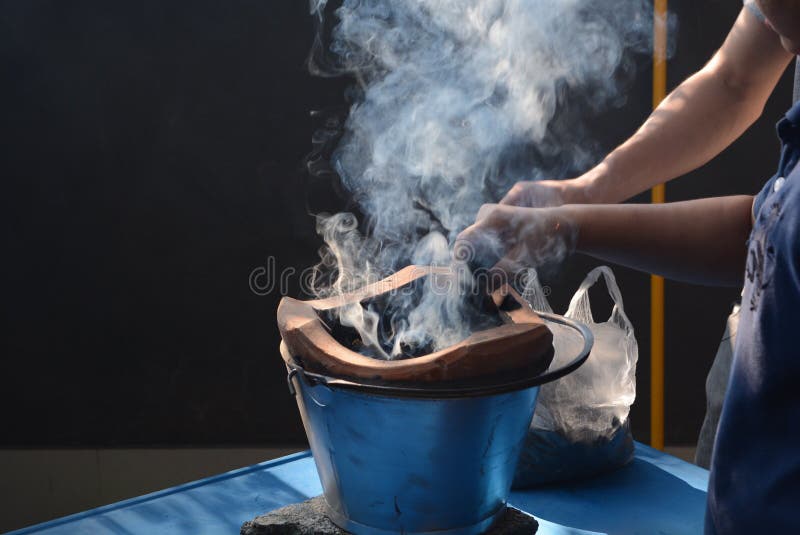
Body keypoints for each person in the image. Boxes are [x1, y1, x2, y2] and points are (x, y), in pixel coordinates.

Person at [457, 0, 800, 532]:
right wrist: (578, 200)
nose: (759, 12)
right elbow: (735, 85)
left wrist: (573, 224)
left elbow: (760, 236)